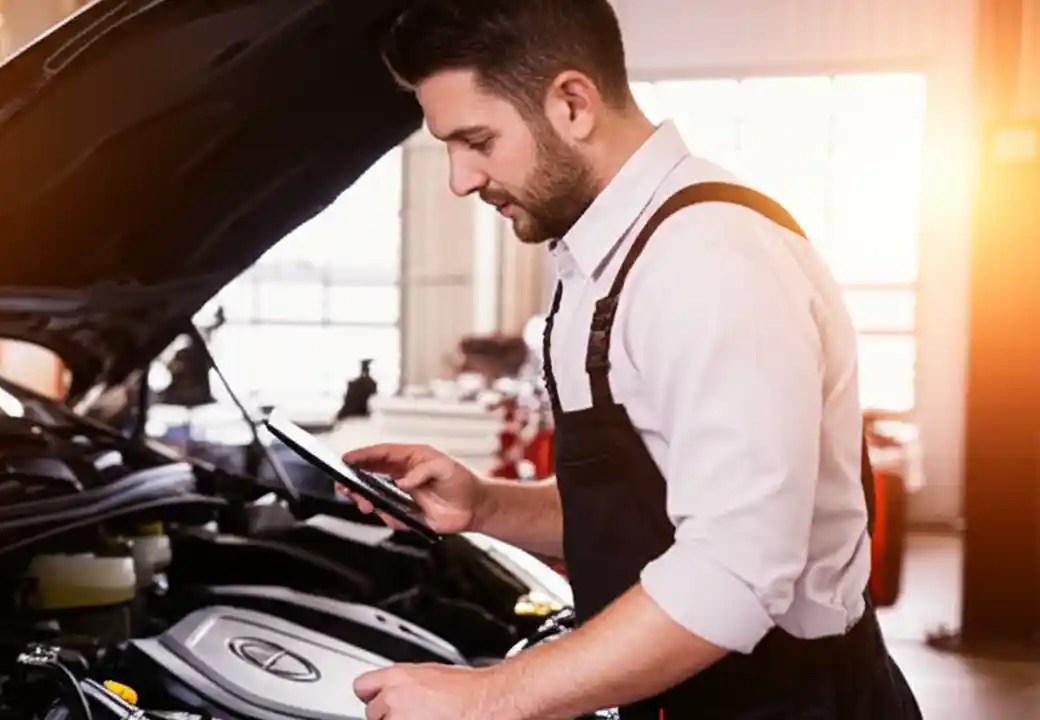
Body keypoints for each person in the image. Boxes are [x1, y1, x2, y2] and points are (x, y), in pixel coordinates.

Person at [338, 1, 924, 719]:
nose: (460, 179)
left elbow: (735, 572)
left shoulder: (709, 259)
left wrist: (485, 699)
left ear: (573, 103)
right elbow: (652, 505)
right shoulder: (606, 256)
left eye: (477, 141)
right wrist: (484, 503)